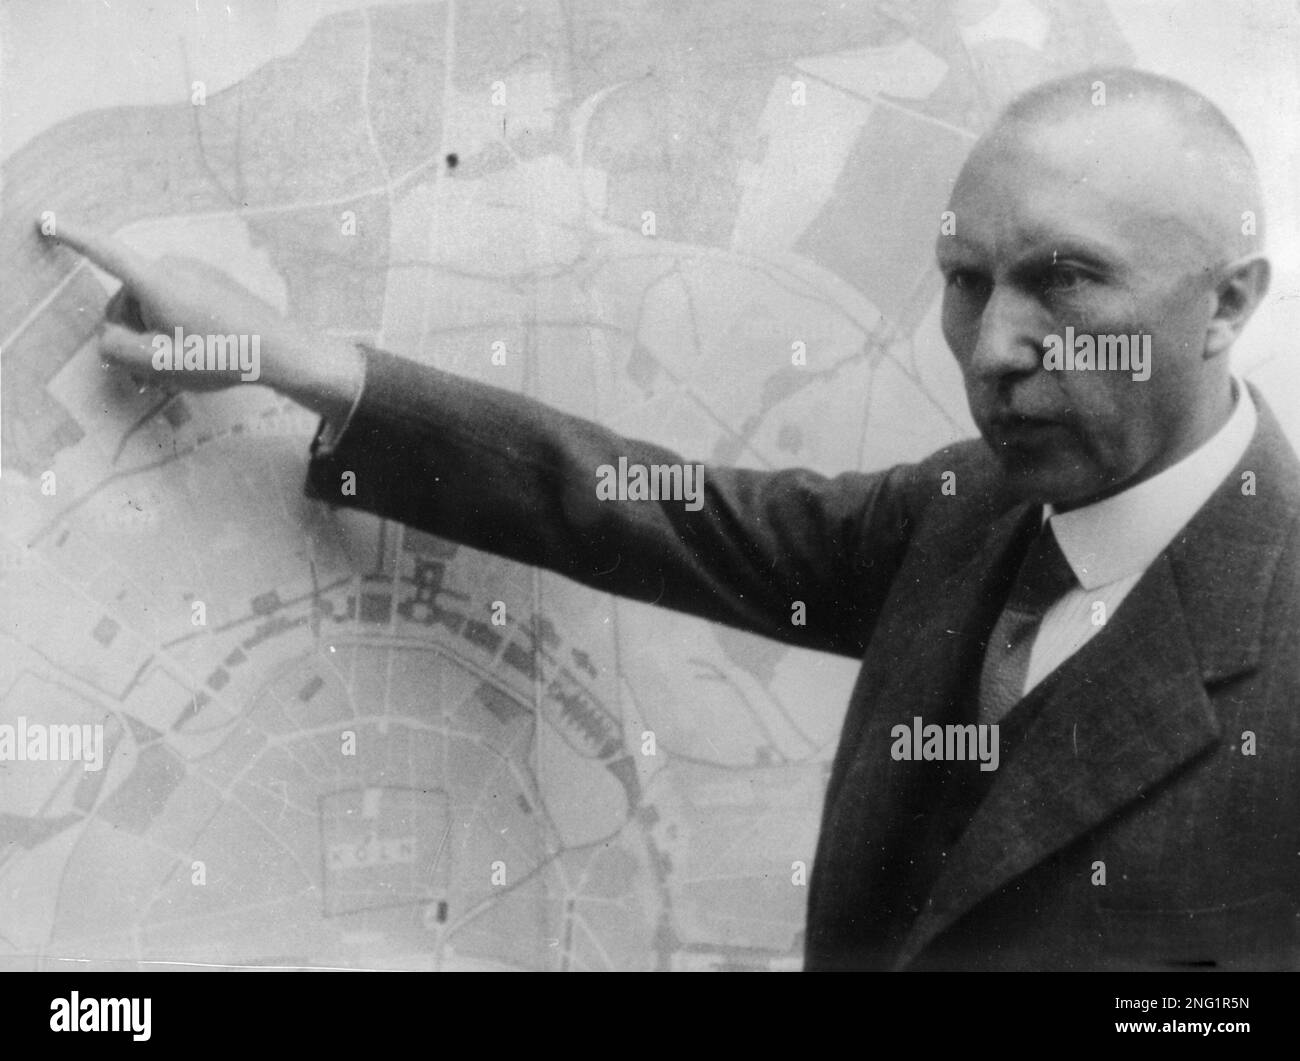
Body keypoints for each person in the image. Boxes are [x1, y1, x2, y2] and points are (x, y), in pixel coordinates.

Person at [43, 66, 1299, 971]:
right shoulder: (963, 509)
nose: (996, 347)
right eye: (965, 284)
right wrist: (303, 360)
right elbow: (666, 514)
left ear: (1227, 301)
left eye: (1066, 279)